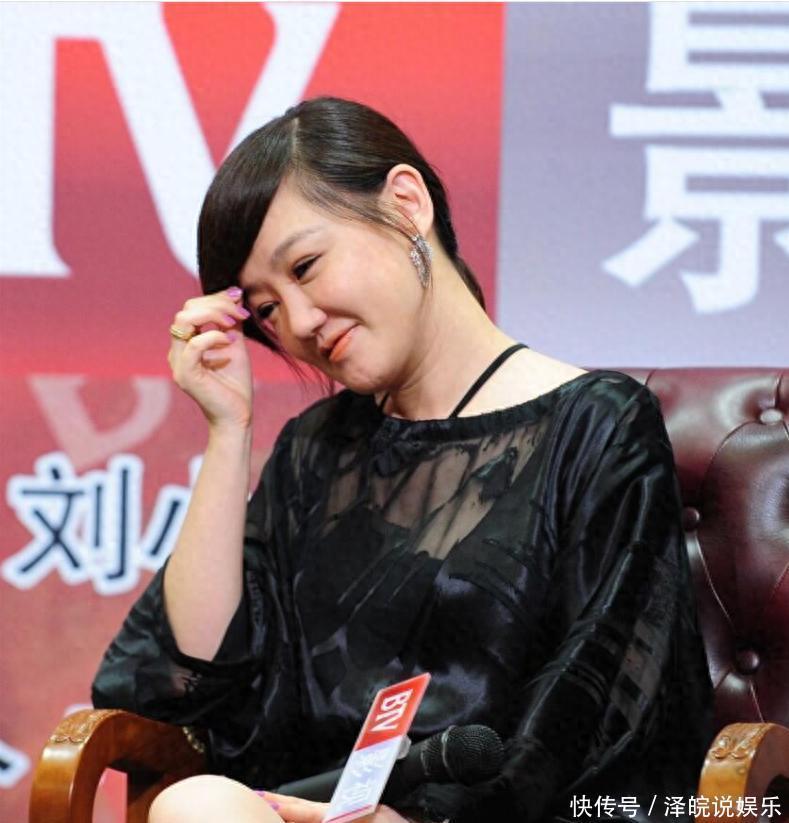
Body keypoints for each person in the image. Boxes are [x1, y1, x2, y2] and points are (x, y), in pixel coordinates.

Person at [92, 97, 713, 823]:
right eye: (265, 309)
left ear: (406, 203)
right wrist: (228, 429)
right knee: (196, 803)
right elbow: (191, 678)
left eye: (305, 266)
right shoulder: (314, 450)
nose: (299, 323)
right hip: (296, 814)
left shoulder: (596, 426)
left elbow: (607, 718)